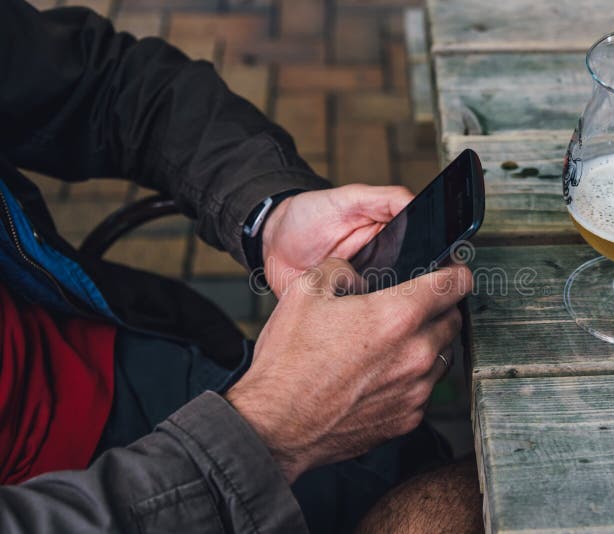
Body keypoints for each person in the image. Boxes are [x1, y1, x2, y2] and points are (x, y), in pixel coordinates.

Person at [0, 1, 481, 532]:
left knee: (444, 480)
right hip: (116, 493)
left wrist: (269, 213)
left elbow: (104, 83)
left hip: (115, 359)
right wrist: (268, 431)